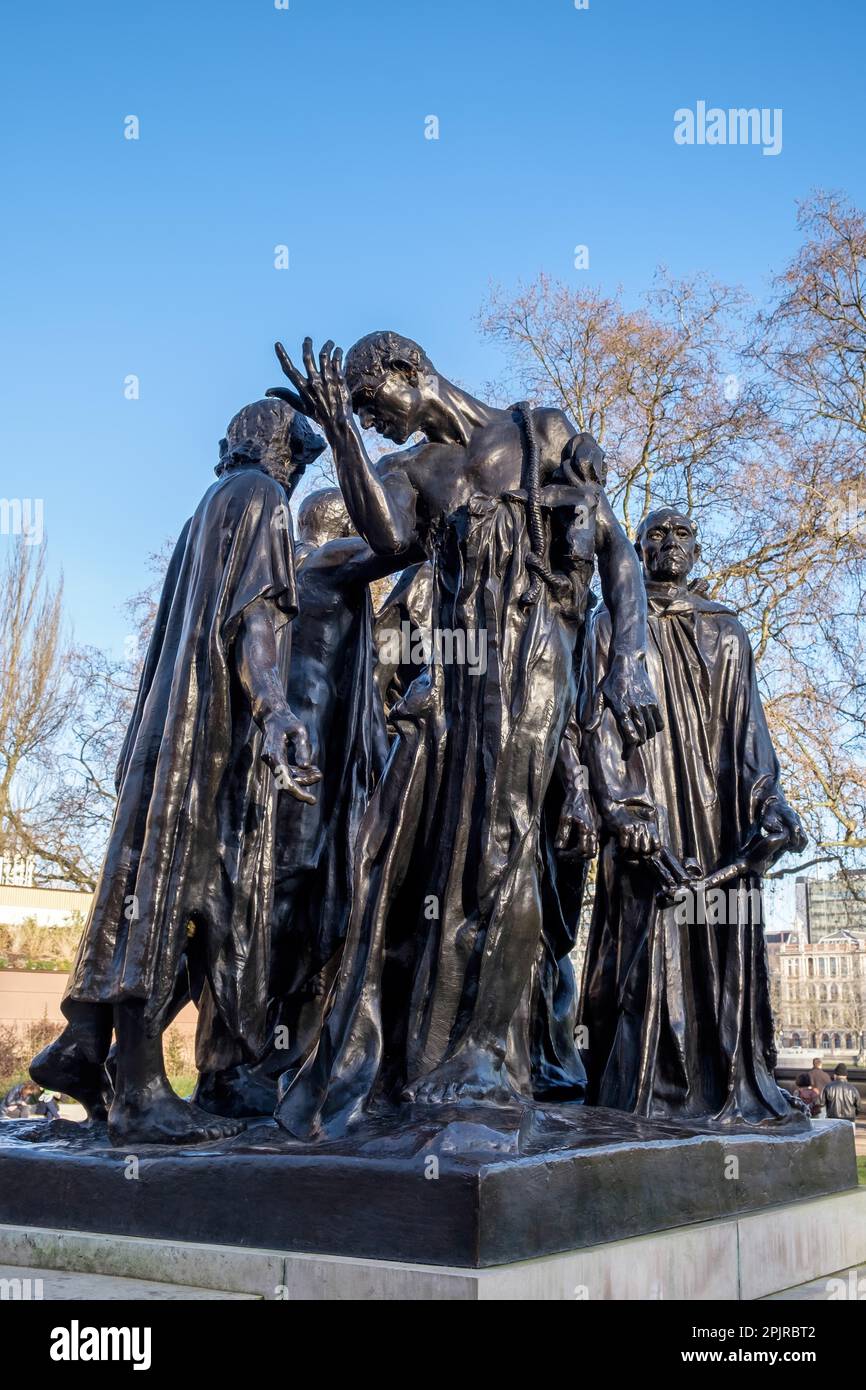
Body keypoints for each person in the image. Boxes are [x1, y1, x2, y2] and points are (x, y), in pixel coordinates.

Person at [267, 331, 660, 1137]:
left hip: (531, 662)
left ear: (411, 374)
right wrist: (340, 431)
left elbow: (617, 552)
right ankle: (417, 1056)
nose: (378, 425)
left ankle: (483, 1055)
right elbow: (385, 544)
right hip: (449, 675)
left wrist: (631, 658)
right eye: (365, 418)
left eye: (376, 406)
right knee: (412, 849)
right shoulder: (408, 472)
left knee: (502, 842)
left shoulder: (539, 430)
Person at [31, 399, 325, 1146]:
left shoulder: (211, 505)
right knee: (165, 901)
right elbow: (255, 619)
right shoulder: (261, 498)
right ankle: (139, 1094)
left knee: (193, 902)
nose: (299, 474)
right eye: (302, 456)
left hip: (174, 730)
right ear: (280, 453)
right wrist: (275, 709)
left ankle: (83, 1048)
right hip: (206, 737)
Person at [580, 508, 807, 1125]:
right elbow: (593, 723)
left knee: (720, 953)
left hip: (720, 824)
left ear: (699, 548)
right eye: (655, 533)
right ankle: (644, 1098)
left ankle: (728, 1088)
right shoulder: (612, 624)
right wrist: (625, 809)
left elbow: (750, 731)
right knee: (645, 956)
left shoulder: (727, 632)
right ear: (638, 549)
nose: (669, 543)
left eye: (682, 533)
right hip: (647, 818)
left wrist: (771, 802)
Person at [193, 487, 405, 1115]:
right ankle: (243, 1062)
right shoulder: (323, 562)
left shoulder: (277, 583)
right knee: (288, 901)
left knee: (289, 903)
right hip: (303, 773)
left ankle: (250, 1061)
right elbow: (404, 541)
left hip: (302, 768)